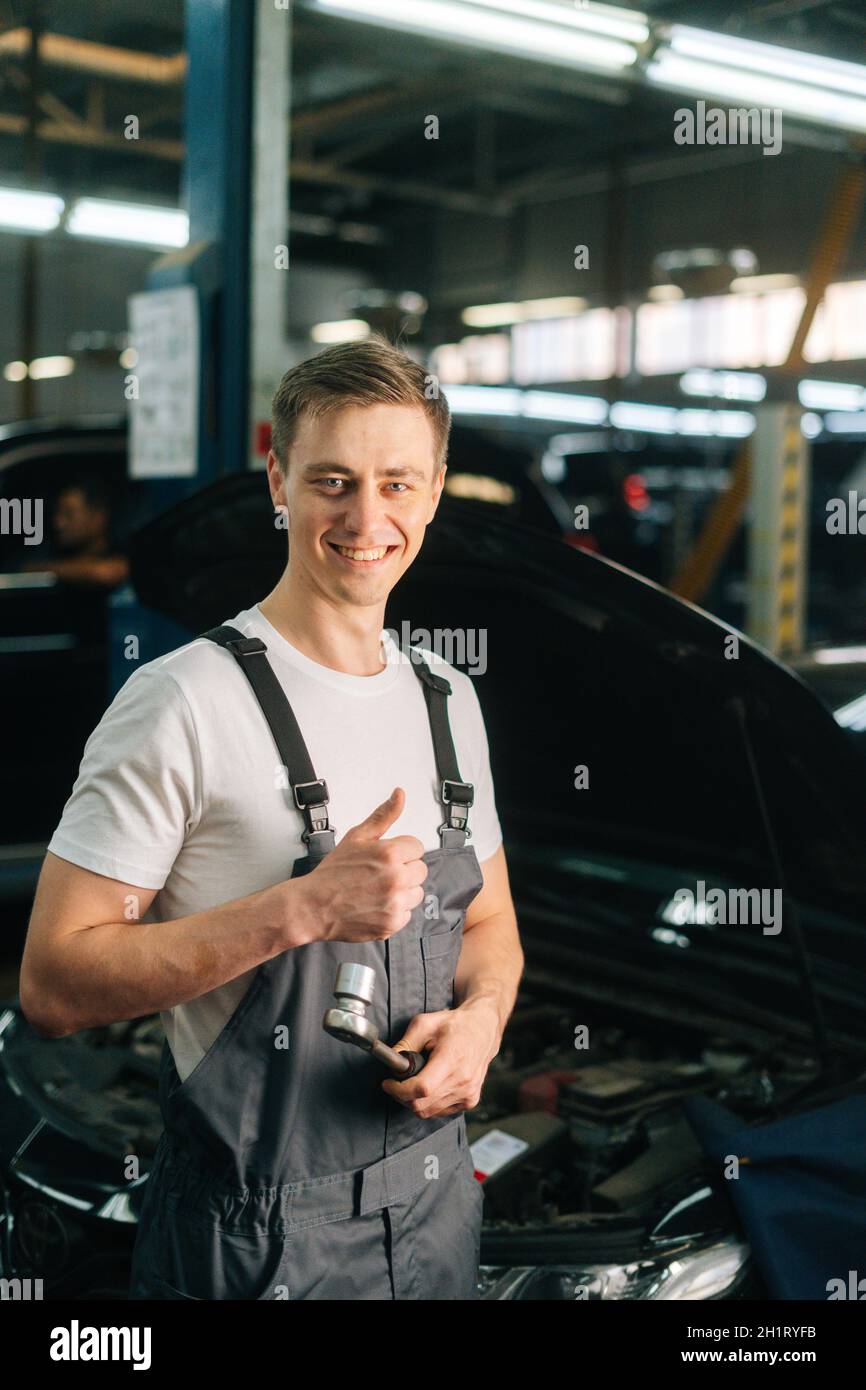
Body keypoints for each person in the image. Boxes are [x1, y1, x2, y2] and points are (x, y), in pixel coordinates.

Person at [19, 336, 524, 1301]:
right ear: (278, 478)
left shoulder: (448, 699)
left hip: (438, 1217)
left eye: (397, 483)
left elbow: (492, 928)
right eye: (332, 480)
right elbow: (52, 980)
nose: (367, 517)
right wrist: (302, 910)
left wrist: (485, 1021)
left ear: (437, 489)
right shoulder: (183, 701)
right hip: (254, 1246)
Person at [19, 474, 129, 589]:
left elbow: (105, 573)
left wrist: (44, 570)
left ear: (98, 517)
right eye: (57, 513)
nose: (58, 523)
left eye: (69, 514)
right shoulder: (51, 553)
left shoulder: (121, 552)